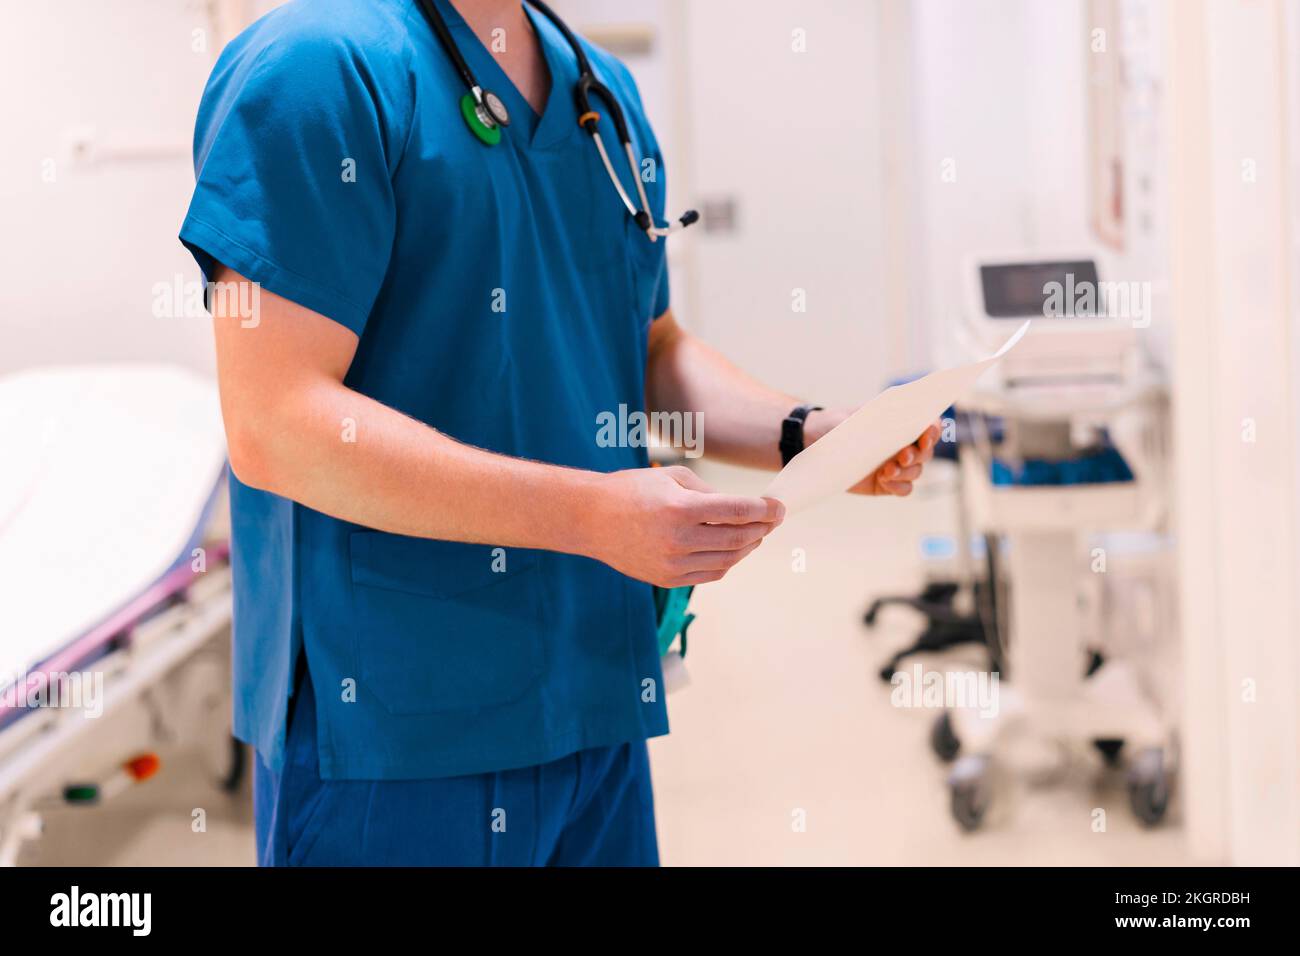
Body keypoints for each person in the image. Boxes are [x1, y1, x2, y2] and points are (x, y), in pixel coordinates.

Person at [180, 0, 939, 866]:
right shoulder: (317, 69)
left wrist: (804, 434)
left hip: (592, 688)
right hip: (396, 725)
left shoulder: (598, 93)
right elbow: (276, 422)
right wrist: (591, 516)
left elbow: (645, 347)